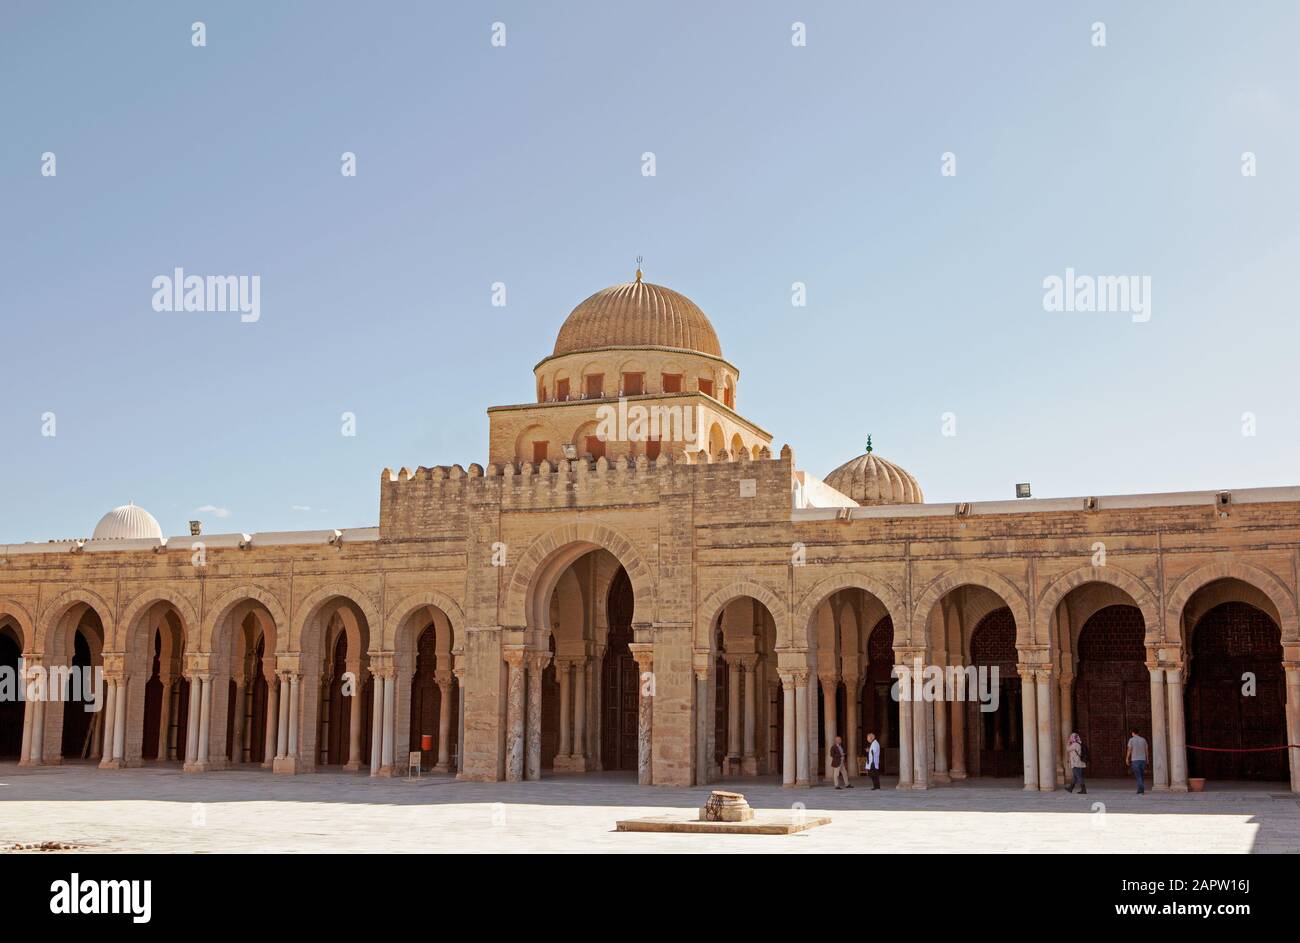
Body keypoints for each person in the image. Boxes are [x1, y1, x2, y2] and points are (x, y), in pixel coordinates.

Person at [1125, 727, 1150, 794]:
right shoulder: (1143, 740)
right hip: (1143, 759)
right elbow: (1146, 750)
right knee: (1141, 775)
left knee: (1138, 775)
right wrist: (1147, 759)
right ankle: (1139, 790)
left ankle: (1141, 788)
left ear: (1133, 733)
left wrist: (1127, 758)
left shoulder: (1131, 740)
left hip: (1135, 760)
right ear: (1138, 733)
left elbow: (1129, 749)